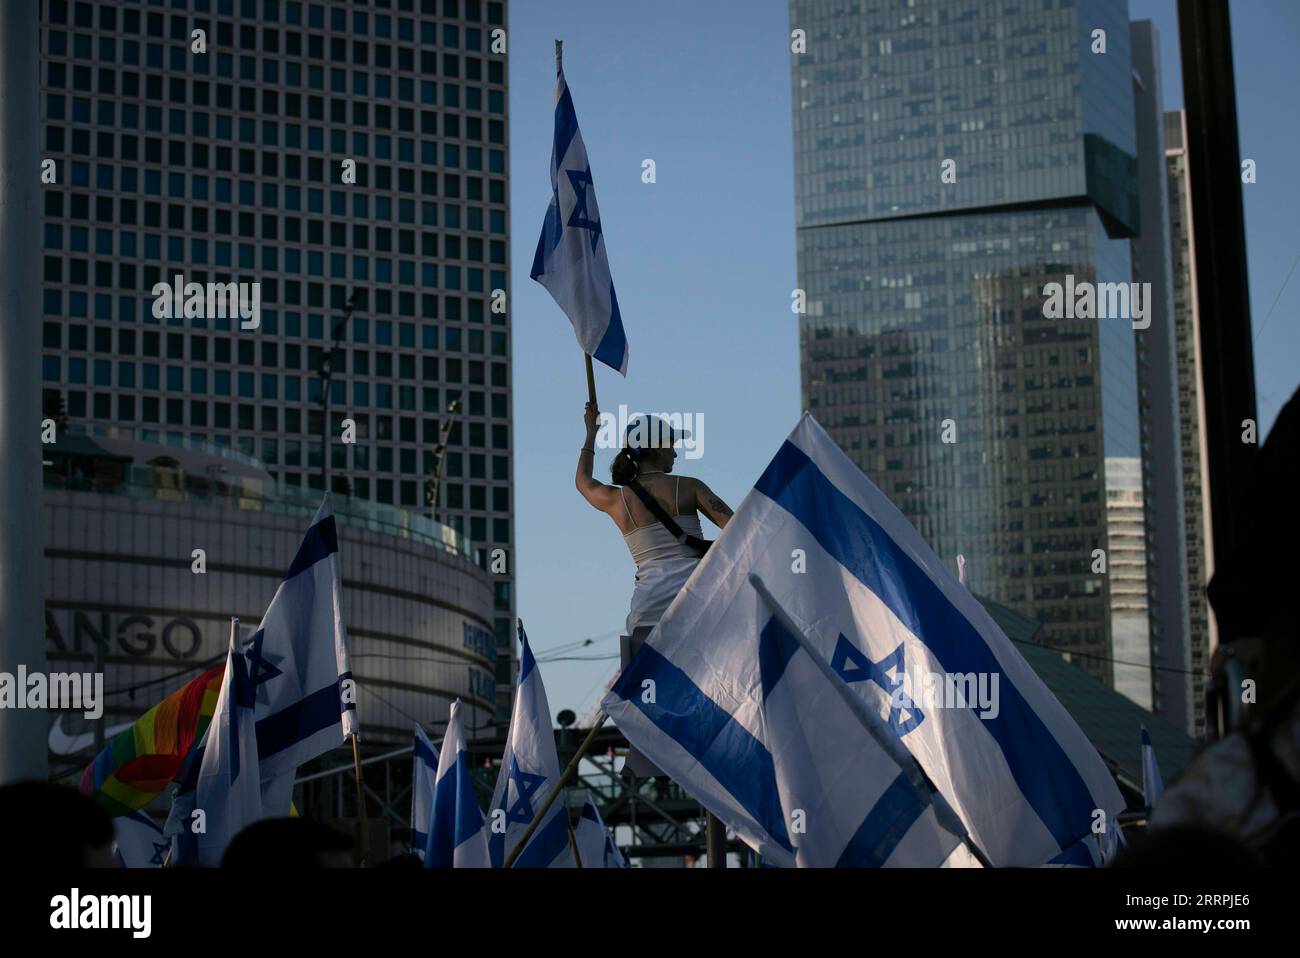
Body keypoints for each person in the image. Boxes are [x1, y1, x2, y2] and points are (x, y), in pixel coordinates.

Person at [576, 402, 734, 637]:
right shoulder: (689, 487)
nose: (675, 452)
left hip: (647, 613)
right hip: (699, 603)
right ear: (658, 448)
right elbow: (739, 527)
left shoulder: (617, 499)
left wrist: (591, 433)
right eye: (671, 444)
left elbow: (583, 482)